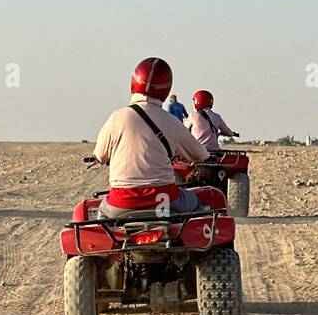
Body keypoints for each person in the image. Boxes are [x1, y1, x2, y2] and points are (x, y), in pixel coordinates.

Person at [93, 58, 211, 220]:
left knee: (99, 220)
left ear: (133, 82)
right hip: (165, 201)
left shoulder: (117, 117)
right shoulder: (171, 121)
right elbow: (201, 155)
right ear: (166, 89)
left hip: (121, 203)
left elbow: (100, 156)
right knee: (203, 204)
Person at [187, 90, 239, 154]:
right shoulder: (217, 117)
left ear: (197, 101)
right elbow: (227, 131)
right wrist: (232, 134)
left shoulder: (193, 116)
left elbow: (183, 129)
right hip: (214, 152)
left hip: (198, 152)